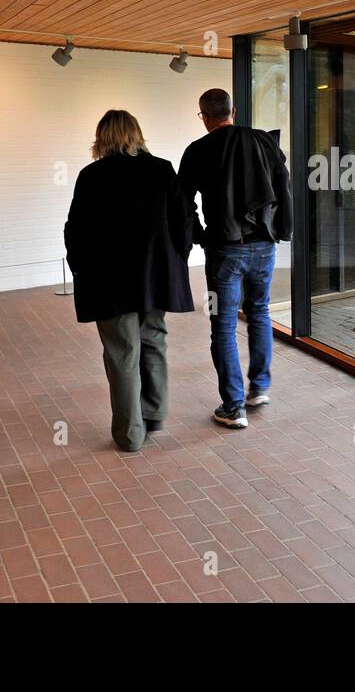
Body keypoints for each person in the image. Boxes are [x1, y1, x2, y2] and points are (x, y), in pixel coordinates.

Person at [64, 110, 194, 451]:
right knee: (153, 341)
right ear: (137, 134)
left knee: (122, 352)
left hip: (109, 281)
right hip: (156, 277)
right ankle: (154, 414)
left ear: (101, 138)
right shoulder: (161, 169)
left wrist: (79, 269)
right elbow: (184, 222)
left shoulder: (91, 176)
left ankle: (130, 434)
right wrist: (178, 259)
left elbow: (76, 230)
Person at [178, 89, 291, 429]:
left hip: (225, 250)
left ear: (203, 116)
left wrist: (199, 235)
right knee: (258, 312)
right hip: (264, 248)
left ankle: (234, 406)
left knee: (223, 324)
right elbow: (282, 186)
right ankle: (260, 387)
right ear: (233, 110)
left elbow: (183, 202)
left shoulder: (198, 150)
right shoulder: (263, 142)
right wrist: (277, 229)